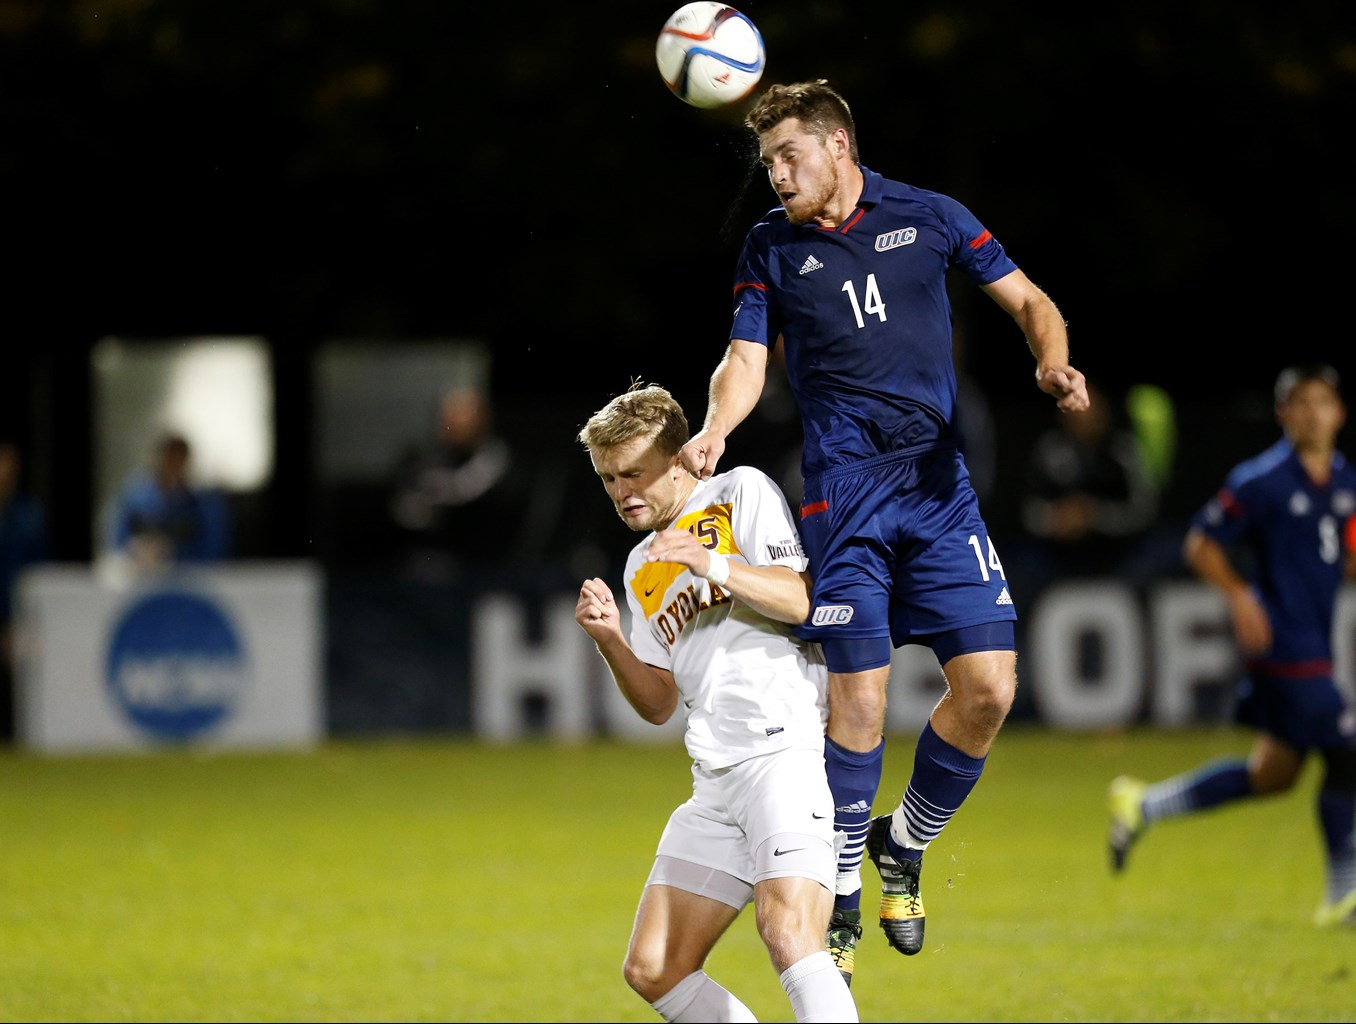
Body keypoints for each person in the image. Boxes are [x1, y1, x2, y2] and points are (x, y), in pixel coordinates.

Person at [677, 79, 1090, 978]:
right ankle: (842, 890)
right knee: (858, 700)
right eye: (767, 161)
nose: (776, 175)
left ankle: (902, 846)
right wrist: (715, 428)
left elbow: (1030, 302)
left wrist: (1053, 363)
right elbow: (744, 357)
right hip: (844, 496)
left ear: (838, 145)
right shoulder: (770, 248)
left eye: (789, 155)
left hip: (939, 490)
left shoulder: (930, 215)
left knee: (989, 689)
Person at [574, 383, 857, 1022]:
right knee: (654, 968)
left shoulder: (737, 493)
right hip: (715, 779)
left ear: (679, 459)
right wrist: (611, 640)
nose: (622, 492)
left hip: (782, 754)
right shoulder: (642, 562)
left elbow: (799, 600)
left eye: (633, 474)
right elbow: (656, 702)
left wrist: (714, 564)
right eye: (608, 479)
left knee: (789, 935)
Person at [1108, 363, 1356, 928]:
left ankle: (1142, 806)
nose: (1314, 413)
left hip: (1315, 642)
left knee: (1274, 776)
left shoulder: (1343, 480)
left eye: (1324, 402)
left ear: (1340, 413)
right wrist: (1241, 596)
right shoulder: (1262, 479)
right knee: (1346, 754)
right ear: (1283, 413)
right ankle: (1345, 893)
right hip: (1280, 644)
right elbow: (1201, 543)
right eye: (1302, 402)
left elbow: (1340, 554)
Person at [1015, 380, 1161, 595]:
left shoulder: (1123, 451)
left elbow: (1143, 511)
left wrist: (1094, 516)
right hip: (1057, 554)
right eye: (1074, 405)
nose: (1081, 414)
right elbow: (1028, 511)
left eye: (1088, 406)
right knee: (1022, 565)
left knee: (1152, 559)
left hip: (1118, 552)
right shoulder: (1050, 451)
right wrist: (1057, 519)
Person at [106, 432, 231, 568]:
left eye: (178, 460)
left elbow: (215, 548)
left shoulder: (204, 504)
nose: (173, 467)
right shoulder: (134, 500)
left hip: (189, 578)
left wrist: (173, 553)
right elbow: (117, 541)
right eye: (169, 459)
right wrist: (137, 552)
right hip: (142, 577)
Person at [0, 440, 48, 740]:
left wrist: (18, 623)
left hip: (17, 618)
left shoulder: (27, 515)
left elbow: (39, 571)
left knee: (19, 694)